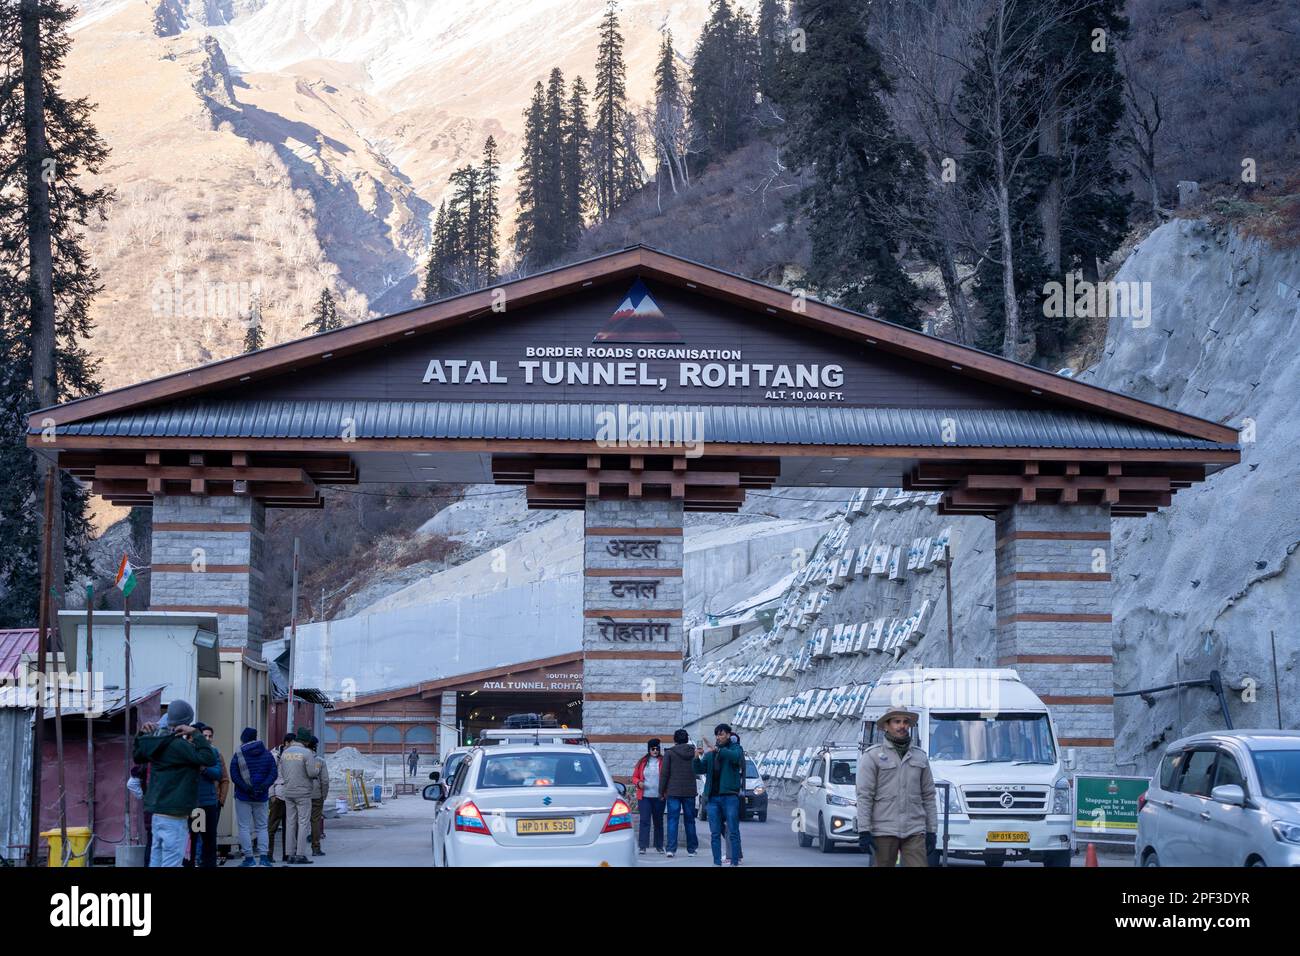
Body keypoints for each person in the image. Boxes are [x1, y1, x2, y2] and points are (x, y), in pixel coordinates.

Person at [131, 699, 216, 867]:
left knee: (156, 860)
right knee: (172, 862)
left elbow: (137, 755)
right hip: (175, 814)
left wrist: (141, 734)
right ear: (186, 722)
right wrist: (196, 734)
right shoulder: (179, 746)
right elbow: (209, 758)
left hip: (157, 813)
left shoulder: (155, 743)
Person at [856, 708, 938, 868]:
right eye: (897, 722)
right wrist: (864, 830)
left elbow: (928, 795)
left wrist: (932, 830)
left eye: (905, 722)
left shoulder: (920, 756)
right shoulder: (872, 756)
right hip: (883, 829)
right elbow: (864, 795)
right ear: (886, 726)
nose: (902, 726)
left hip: (914, 829)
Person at [694, 723, 744, 867]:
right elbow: (700, 769)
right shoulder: (711, 754)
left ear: (728, 735)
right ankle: (716, 862)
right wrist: (696, 757)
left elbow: (736, 757)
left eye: (721, 734)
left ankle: (734, 862)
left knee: (733, 831)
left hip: (730, 797)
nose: (718, 737)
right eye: (717, 734)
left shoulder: (735, 748)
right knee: (715, 833)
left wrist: (718, 750)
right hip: (713, 798)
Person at [230, 726, 278, 867]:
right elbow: (273, 773)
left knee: (244, 827)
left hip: (243, 796)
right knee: (262, 827)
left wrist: (246, 788)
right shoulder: (267, 754)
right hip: (261, 797)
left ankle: (249, 859)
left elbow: (234, 775)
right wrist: (263, 787)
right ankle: (263, 858)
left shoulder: (238, 754)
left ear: (243, 739)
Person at [188, 723, 228, 868]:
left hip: (207, 803)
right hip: (192, 803)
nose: (207, 739)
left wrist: (203, 768)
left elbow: (218, 774)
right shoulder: (186, 751)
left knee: (208, 840)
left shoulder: (213, 752)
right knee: (192, 840)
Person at [279, 727, 320, 864]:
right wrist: (317, 769)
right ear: (306, 741)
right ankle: (300, 854)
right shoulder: (307, 753)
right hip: (303, 793)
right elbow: (312, 773)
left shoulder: (285, 752)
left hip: (288, 791)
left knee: (290, 822)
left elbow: (282, 772)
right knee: (303, 823)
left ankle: (289, 854)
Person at [660, 729, 699, 858]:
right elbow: (697, 769)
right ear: (687, 739)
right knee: (690, 821)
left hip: (673, 791)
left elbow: (664, 774)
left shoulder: (670, 753)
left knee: (673, 820)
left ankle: (671, 849)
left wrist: (661, 791)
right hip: (689, 791)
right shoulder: (693, 752)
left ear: (675, 739)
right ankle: (692, 849)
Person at [630, 739, 665, 855]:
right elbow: (634, 777)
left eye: (657, 749)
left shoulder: (663, 761)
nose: (655, 751)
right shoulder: (642, 762)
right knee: (644, 821)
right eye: (653, 749)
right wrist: (638, 782)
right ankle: (642, 846)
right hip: (644, 797)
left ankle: (659, 846)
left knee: (658, 822)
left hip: (659, 796)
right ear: (649, 750)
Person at [267, 732, 294, 862]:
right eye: (292, 744)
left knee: (288, 827)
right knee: (272, 827)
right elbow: (270, 775)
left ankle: (286, 854)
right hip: (277, 795)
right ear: (286, 743)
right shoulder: (275, 756)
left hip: (289, 795)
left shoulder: (292, 756)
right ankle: (269, 854)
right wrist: (272, 794)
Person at [308, 735, 330, 857]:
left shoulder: (297, 758)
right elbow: (325, 781)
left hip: (300, 794)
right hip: (316, 794)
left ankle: (294, 849)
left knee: (298, 821)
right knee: (315, 820)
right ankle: (316, 848)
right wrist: (324, 795)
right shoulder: (320, 761)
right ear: (315, 746)